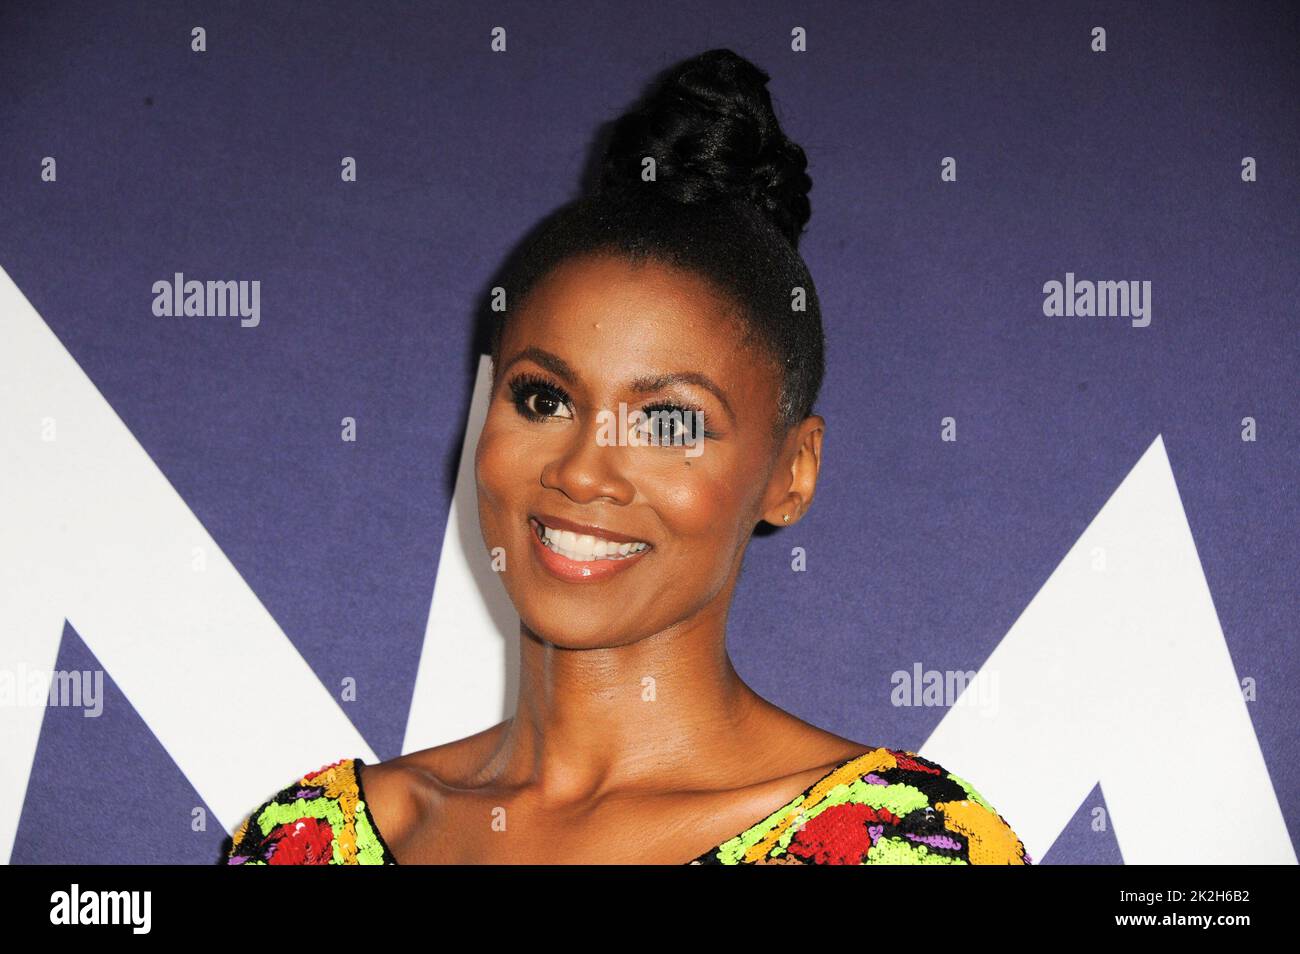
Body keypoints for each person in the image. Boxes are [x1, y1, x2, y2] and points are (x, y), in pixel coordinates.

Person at [222, 48, 1030, 866]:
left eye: (670, 423)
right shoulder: (310, 842)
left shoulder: (901, 845)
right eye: (545, 399)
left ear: (793, 472)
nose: (582, 470)